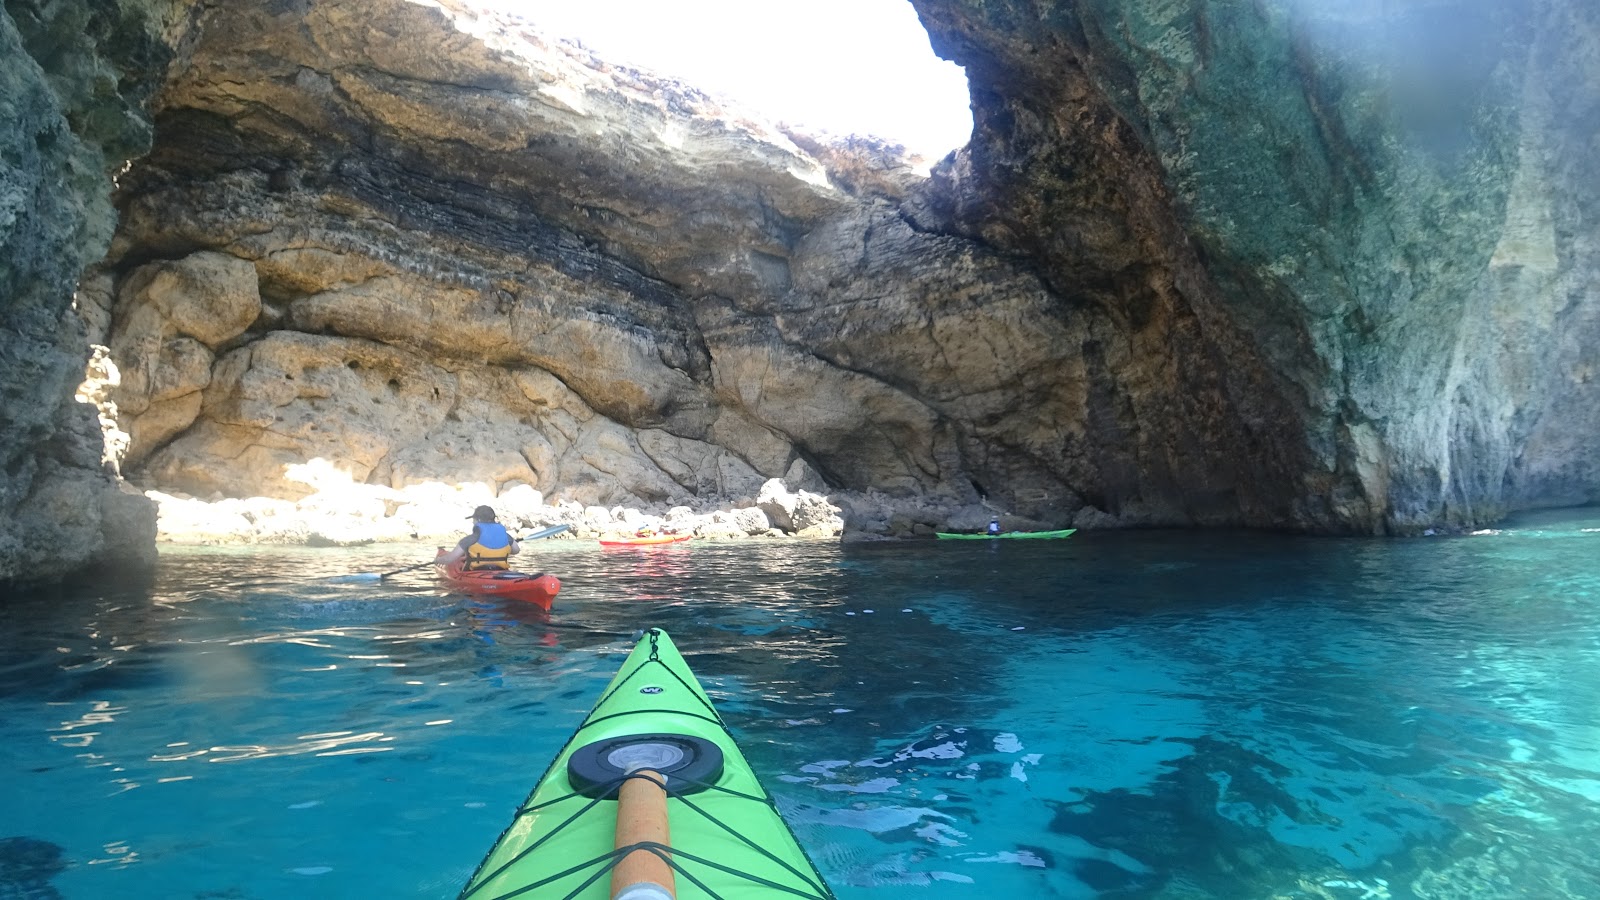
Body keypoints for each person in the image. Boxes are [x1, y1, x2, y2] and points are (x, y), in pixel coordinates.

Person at [439, 505, 521, 570]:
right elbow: (516, 550)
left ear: (478, 520)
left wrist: (438, 560)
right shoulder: (506, 536)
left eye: (473, 519)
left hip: (475, 574)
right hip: (500, 571)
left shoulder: (471, 539)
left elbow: (449, 559)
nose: (473, 522)